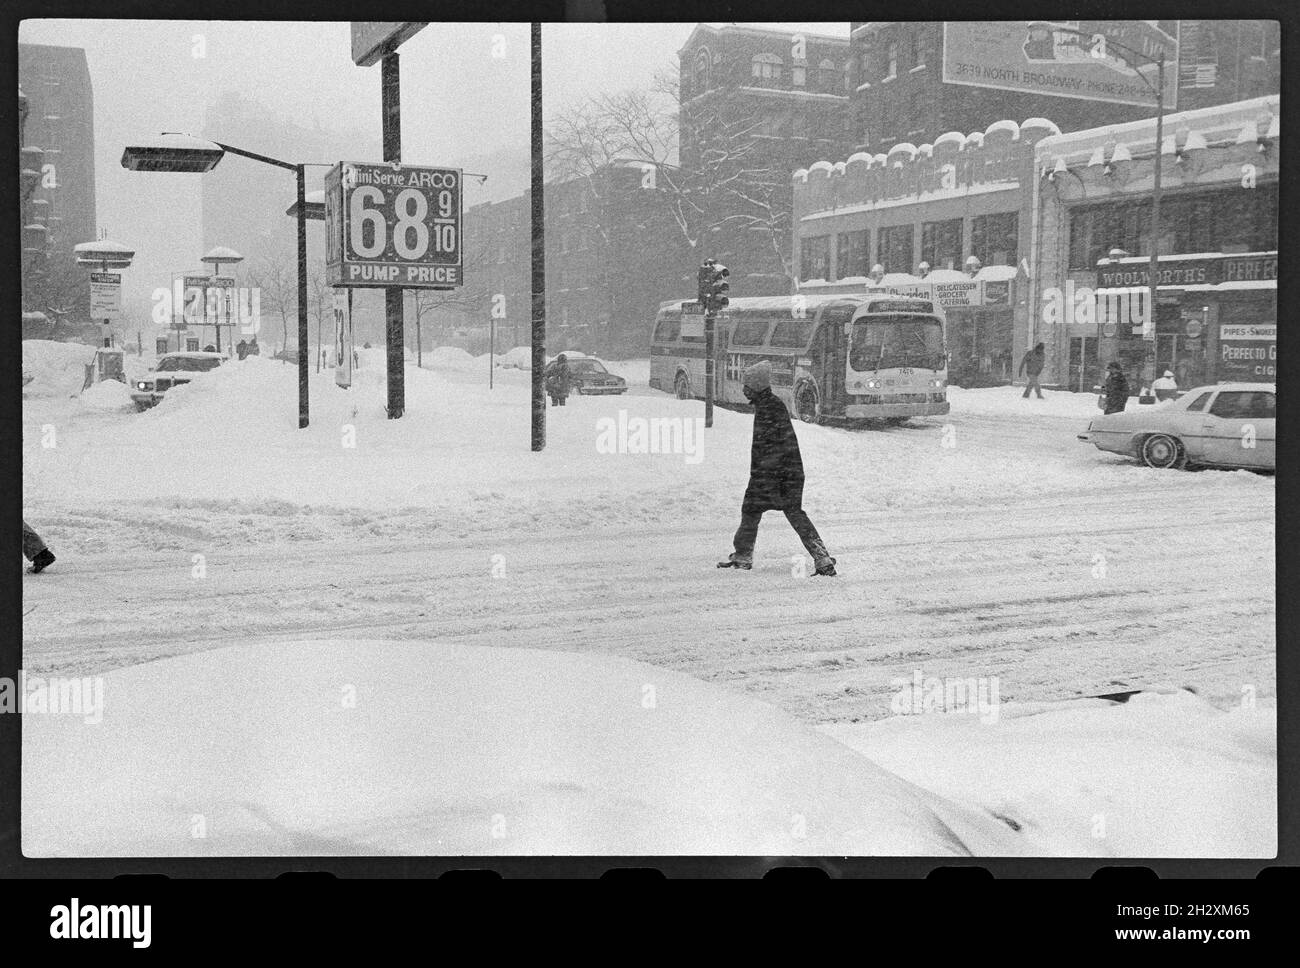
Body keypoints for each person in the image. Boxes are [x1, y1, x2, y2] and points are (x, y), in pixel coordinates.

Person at [718, 361, 837, 577]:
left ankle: (744, 556)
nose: (744, 389)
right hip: (783, 473)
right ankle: (822, 558)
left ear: (756, 387)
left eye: (747, 386)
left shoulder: (768, 408)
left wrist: (764, 476)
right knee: (782, 513)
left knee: (759, 511)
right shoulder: (769, 405)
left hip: (775, 475)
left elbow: (772, 446)